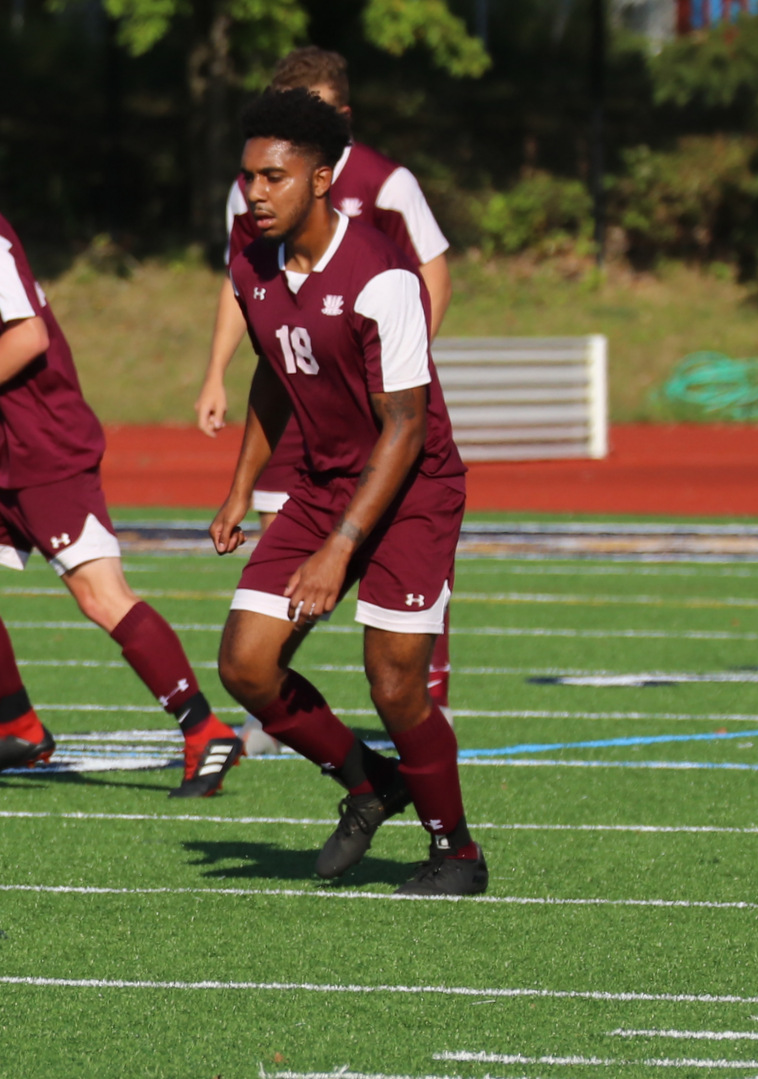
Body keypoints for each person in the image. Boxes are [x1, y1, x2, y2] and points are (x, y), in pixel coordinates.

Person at [0, 96, 243, 795]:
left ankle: (205, 730)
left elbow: (28, 335)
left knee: (102, 596)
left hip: (45, 446)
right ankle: (18, 726)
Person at [211, 88, 483, 896]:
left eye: (274, 177)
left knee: (394, 681)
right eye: (248, 176)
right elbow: (271, 365)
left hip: (412, 488)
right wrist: (240, 487)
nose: (255, 193)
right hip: (325, 481)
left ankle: (457, 851)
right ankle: (371, 784)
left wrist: (339, 548)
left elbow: (404, 426)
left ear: (321, 178)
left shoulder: (382, 278)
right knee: (246, 666)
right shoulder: (250, 260)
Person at [194, 47, 457, 721]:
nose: (257, 188)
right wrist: (216, 370)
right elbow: (248, 293)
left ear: (338, 122)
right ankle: (271, 683)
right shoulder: (254, 188)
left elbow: (431, 269)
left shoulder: (387, 182)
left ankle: (425, 691)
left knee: (391, 571)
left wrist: (396, 355)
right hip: (299, 396)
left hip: (373, 394)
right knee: (278, 573)